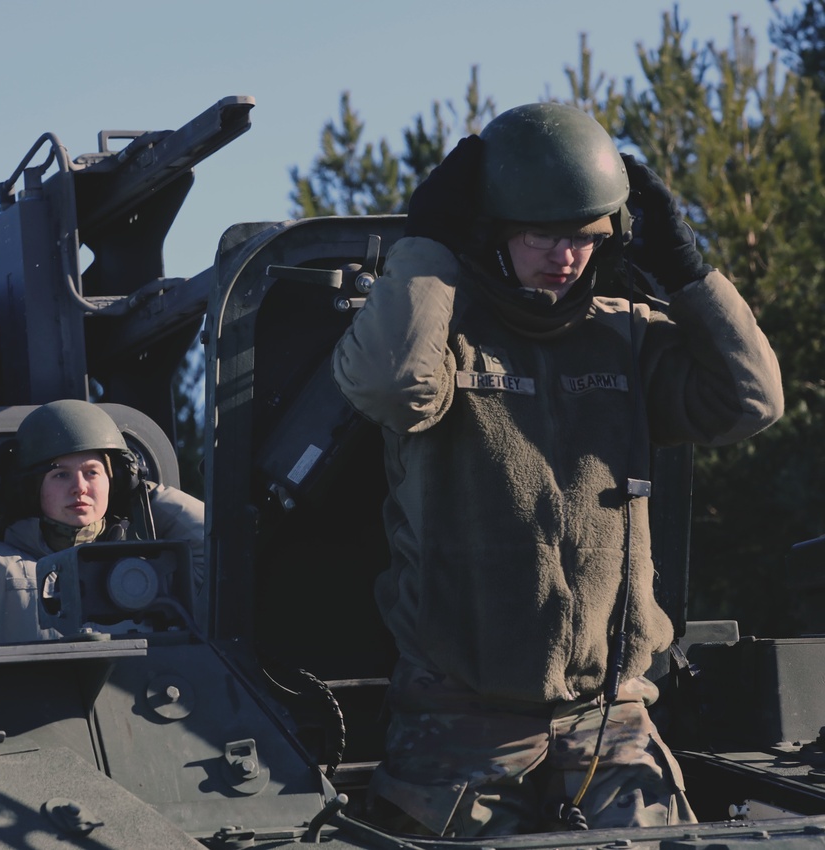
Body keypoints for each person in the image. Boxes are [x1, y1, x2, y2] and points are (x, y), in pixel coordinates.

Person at [331, 103, 784, 836]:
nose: (565, 254)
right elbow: (391, 386)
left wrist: (690, 273)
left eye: (584, 236)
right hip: (462, 724)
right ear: (493, 231)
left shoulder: (625, 336)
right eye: (541, 234)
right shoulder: (446, 337)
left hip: (612, 717)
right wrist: (425, 247)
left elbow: (751, 400)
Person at [0, 399, 205, 644]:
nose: (80, 487)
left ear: (113, 482)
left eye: (93, 472)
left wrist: (146, 496)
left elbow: (222, 563)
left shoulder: (153, 563)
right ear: (33, 489)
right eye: (60, 474)